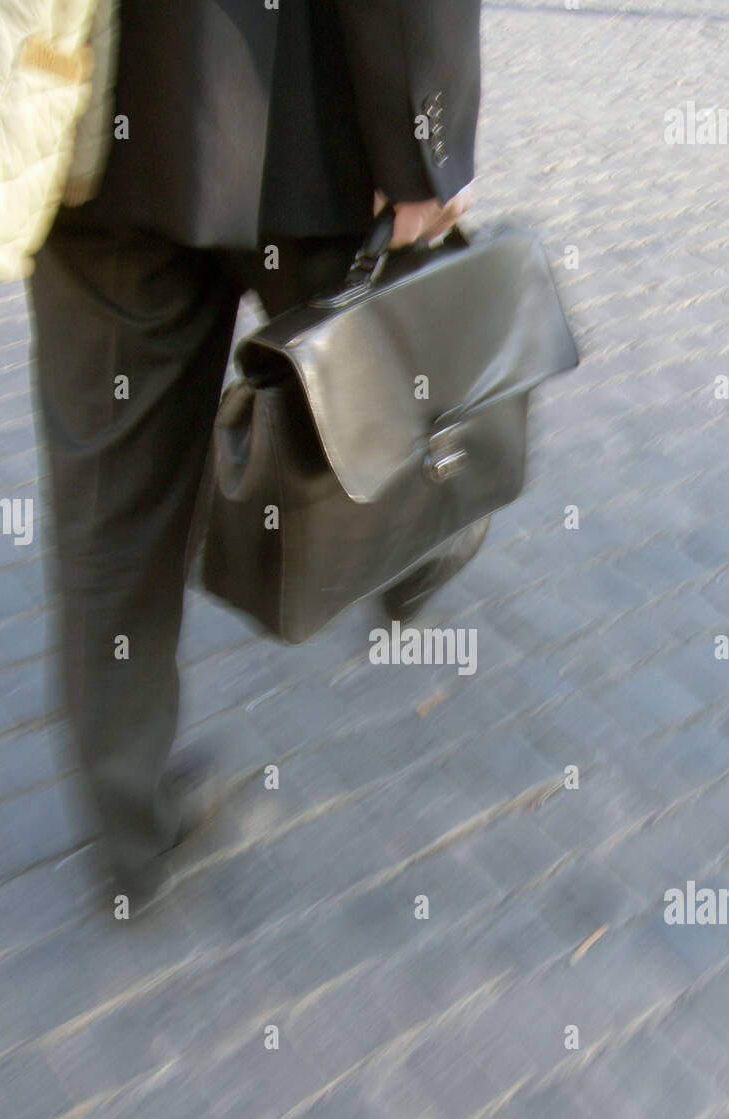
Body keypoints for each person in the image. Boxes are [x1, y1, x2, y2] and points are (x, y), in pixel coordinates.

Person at [27, 0, 486, 911]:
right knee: (386, 399)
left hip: (94, 130)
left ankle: (129, 828)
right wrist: (424, 149)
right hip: (314, 143)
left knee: (112, 497)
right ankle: (418, 546)